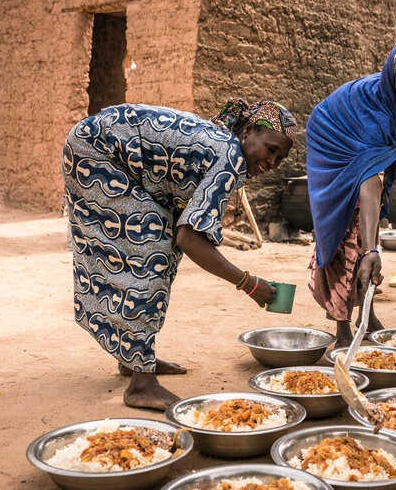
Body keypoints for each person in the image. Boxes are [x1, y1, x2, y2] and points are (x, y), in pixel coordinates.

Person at [62, 99, 297, 409]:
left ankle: (135, 357)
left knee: (164, 248)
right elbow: (190, 238)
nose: (273, 162)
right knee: (149, 259)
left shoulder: (227, 149)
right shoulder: (230, 156)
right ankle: (141, 384)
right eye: (270, 150)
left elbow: (181, 229)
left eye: (281, 158)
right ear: (249, 131)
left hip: (104, 150)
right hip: (97, 151)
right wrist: (248, 283)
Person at [306, 33, 396, 347]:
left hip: (368, 161)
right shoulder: (374, 110)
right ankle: (342, 329)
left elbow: (387, 159)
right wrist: (372, 250)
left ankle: (365, 316)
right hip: (333, 143)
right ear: (393, 73)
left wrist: (371, 245)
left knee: (366, 232)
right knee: (343, 238)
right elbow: (368, 181)